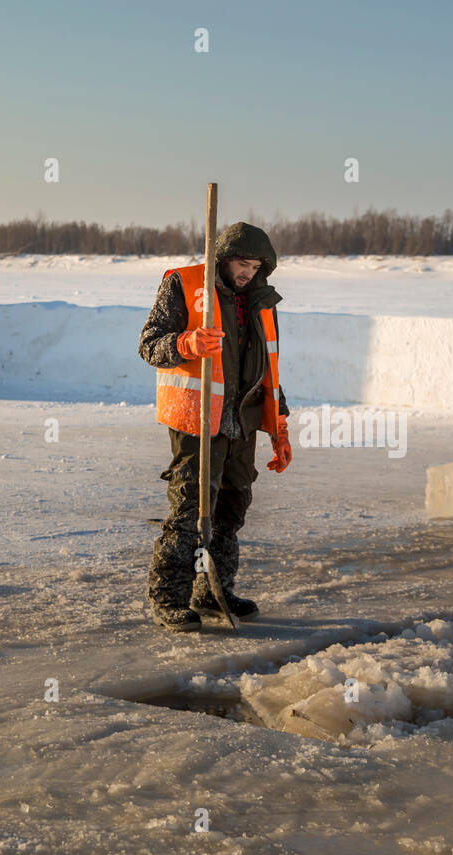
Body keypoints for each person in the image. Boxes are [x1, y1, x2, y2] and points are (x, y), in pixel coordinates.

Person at [138, 222, 291, 631]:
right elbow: (149, 344)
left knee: (231, 509)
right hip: (197, 415)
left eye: (256, 266)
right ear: (223, 258)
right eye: (243, 263)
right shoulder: (184, 284)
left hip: (241, 419)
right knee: (191, 509)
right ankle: (168, 597)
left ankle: (214, 589)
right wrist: (186, 344)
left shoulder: (262, 299)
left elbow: (268, 366)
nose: (248, 273)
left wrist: (280, 425)